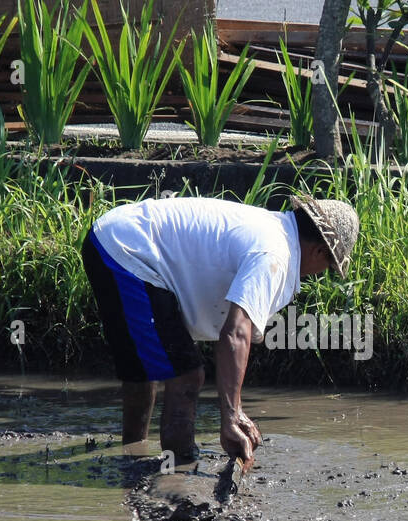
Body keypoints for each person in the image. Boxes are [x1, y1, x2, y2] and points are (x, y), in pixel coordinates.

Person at [81, 193, 359, 467]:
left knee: (145, 367)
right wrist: (232, 415)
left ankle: (132, 459)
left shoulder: (273, 231)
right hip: (129, 252)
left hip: (113, 238)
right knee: (187, 376)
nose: (321, 273)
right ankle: (180, 472)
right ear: (319, 251)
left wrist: (234, 409)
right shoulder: (274, 253)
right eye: (328, 267)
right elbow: (236, 333)